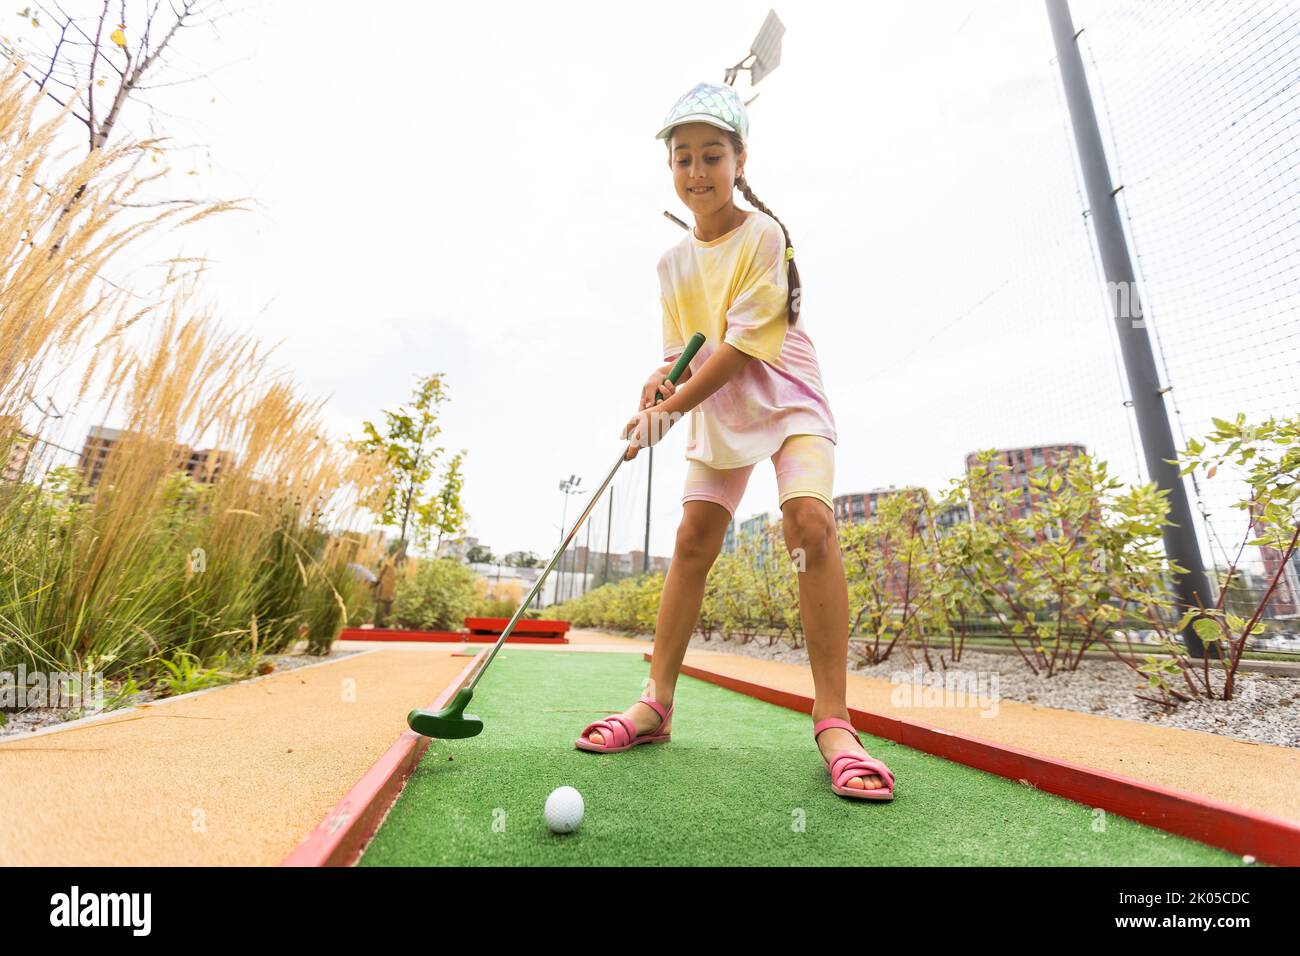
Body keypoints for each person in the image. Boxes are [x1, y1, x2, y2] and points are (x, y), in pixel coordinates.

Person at [573, 82, 895, 801]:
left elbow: (742, 353)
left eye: (711, 155)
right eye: (682, 158)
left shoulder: (765, 237)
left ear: (741, 159)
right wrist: (654, 392)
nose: (696, 172)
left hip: (785, 396)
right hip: (716, 409)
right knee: (692, 540)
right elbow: (681, 354)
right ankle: (655, 704)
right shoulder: (670, 264)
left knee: (808, 522)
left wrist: (673, 408)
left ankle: (834, 721)